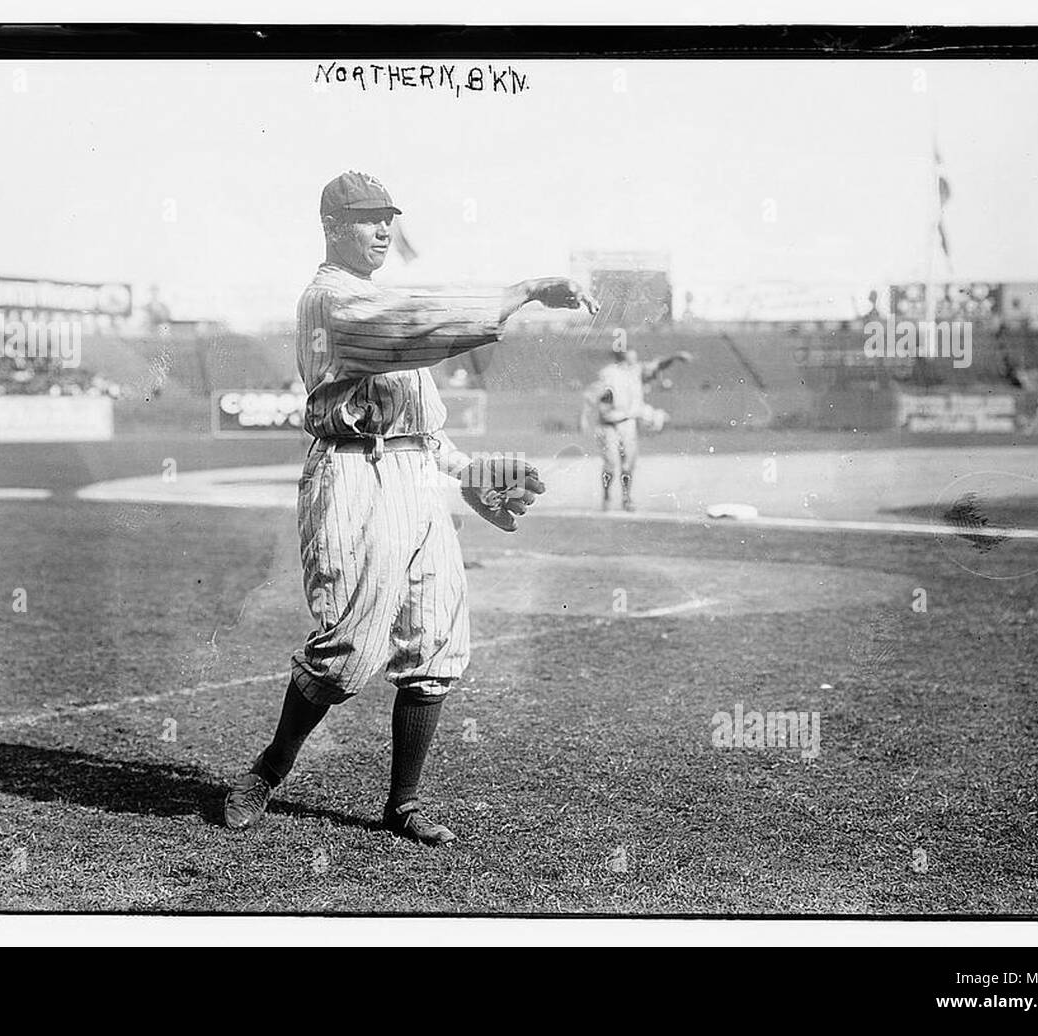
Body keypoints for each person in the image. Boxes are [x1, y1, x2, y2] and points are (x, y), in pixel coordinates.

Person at [223, 171, 599, 845]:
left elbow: (420, 423)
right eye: (366, 220)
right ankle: (270, 767)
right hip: (352, 476)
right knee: (348, 654)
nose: (382, 230)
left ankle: (404, 804)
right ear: (332, 229)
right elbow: (416, 329)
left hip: (413, 477)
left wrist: (465, 472)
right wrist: (527, 292)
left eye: (388, 218)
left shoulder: (372, 295)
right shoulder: (330, 298)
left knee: (437, 642)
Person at [588, 345, 693, 511]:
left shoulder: (637, 371)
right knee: (610, 465)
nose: (635, 359)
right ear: (622, 356)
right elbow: (594, 395)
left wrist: (675, 357)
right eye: (631, 356)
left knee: (628, 465)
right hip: (609, 424)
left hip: (628, 424)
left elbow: (658, 365)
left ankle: (626, 498)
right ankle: (607, 496)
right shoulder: (608, 373)